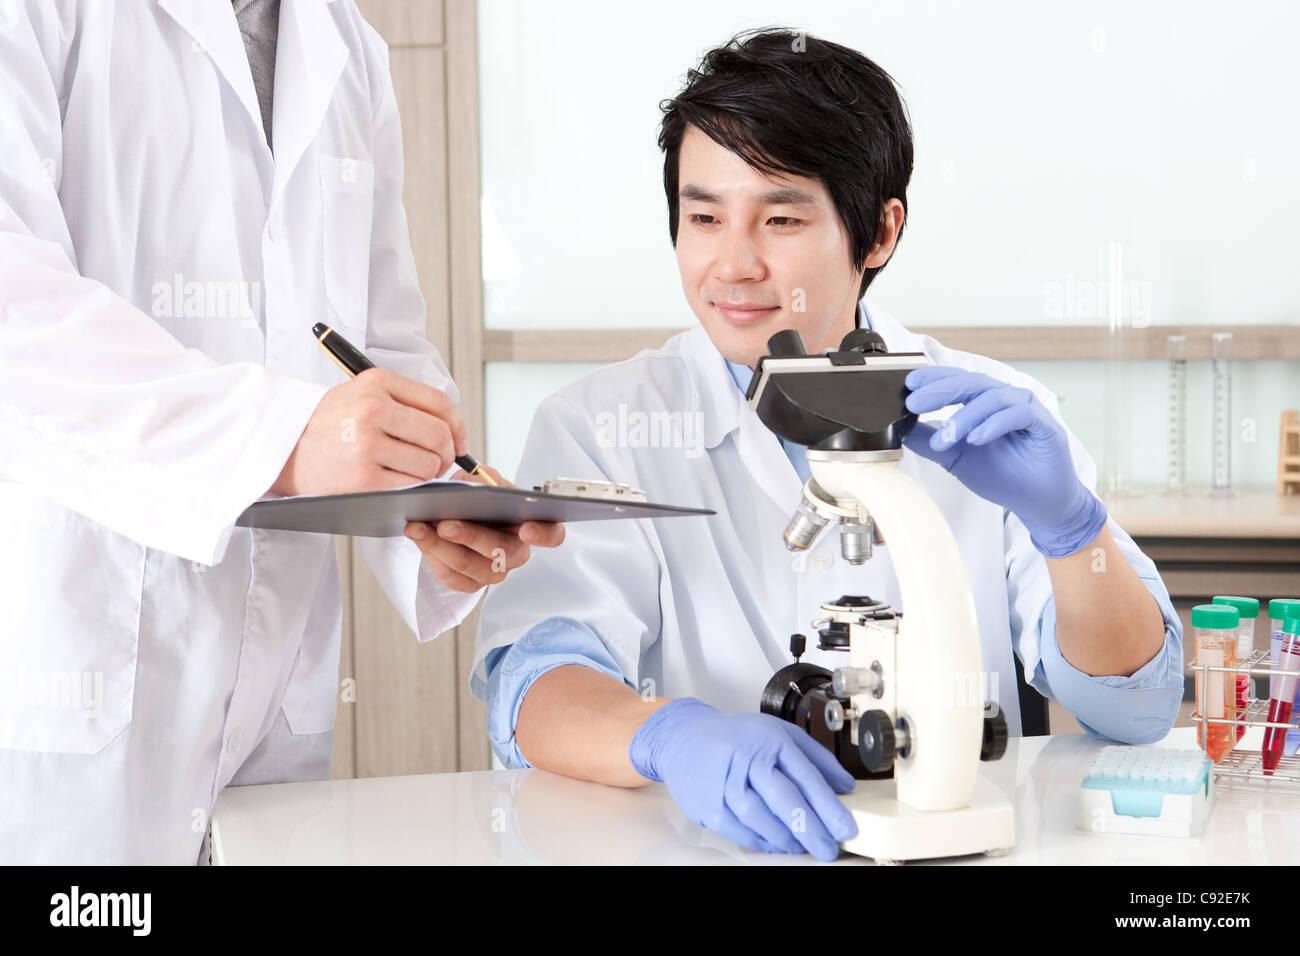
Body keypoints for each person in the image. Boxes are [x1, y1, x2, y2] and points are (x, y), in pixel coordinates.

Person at [471, 29, 1183, 862]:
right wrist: (669, 736)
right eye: (703, 216)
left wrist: (1072, 530)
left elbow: (1136, 709)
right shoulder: (603, 424)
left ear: (879, 233)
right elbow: (533, 688)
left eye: (779, 217)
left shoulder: (996, 412)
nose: (732, 264)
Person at [0, 0, 561, 864]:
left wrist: (432, 505)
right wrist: (285, 441)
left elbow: (376, 342)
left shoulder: (346, 45)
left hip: (273, 701)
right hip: (72, 675)